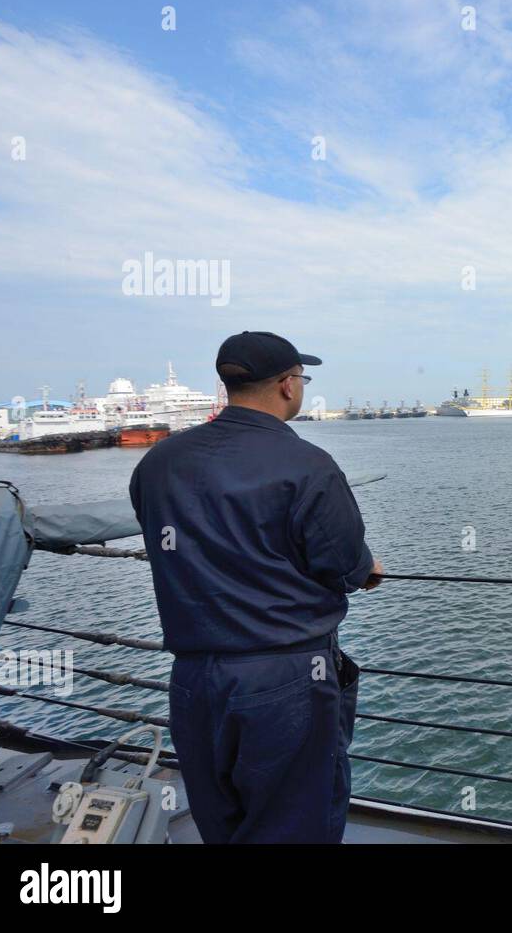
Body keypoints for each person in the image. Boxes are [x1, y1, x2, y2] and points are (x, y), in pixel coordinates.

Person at [129, 331, 383, 843]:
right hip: (286, 677)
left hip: (194, 679)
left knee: (222, 824)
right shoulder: (308, 465)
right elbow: (346, 567)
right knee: (296, 825)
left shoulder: (158, 463)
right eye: (301, 378)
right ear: (289, 385)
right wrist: (365, 567)